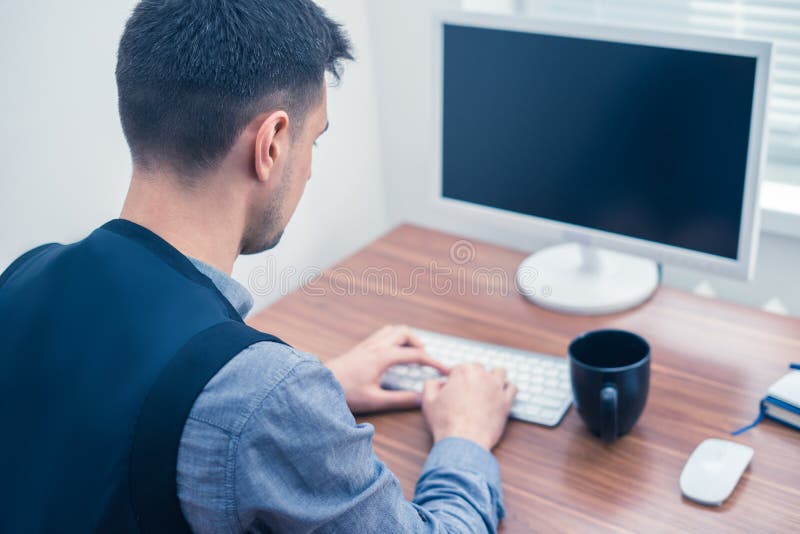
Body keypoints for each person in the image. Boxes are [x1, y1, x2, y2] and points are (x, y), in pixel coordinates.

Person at [0, 1, 518, 532]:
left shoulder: (23, 278)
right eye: (314, 139)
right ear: (270, 144)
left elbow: (107, 413)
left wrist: (322, 390)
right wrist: (464, 435)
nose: (311, 168)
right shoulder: (261, 393)